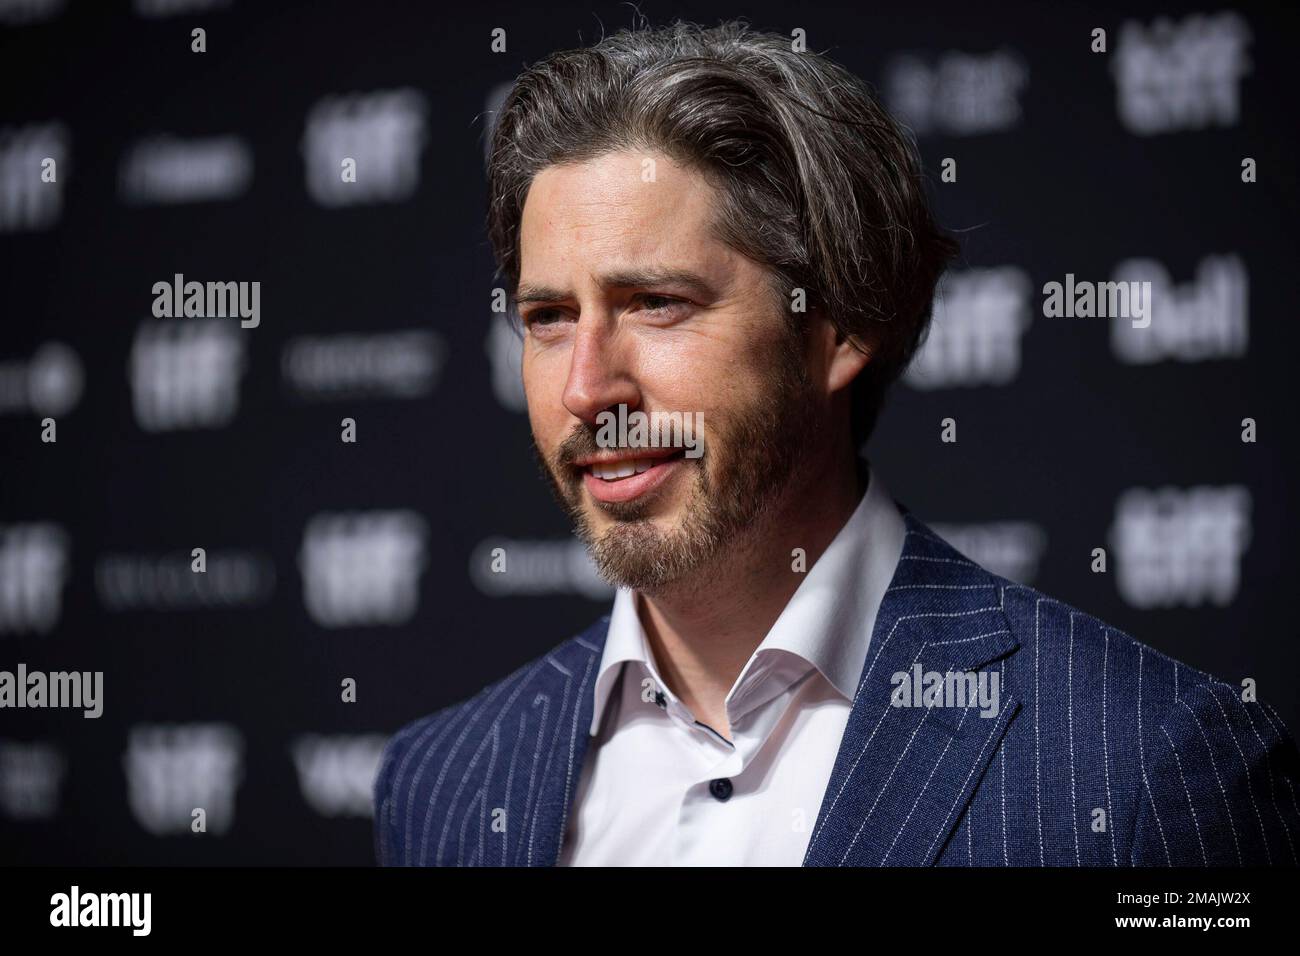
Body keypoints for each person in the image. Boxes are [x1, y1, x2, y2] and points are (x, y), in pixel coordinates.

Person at [373, 19, 1300, 866]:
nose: (586, 388)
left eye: (656, 303)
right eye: (547, 317)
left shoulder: (1150, 766)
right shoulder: (443, 783)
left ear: (842, 324)